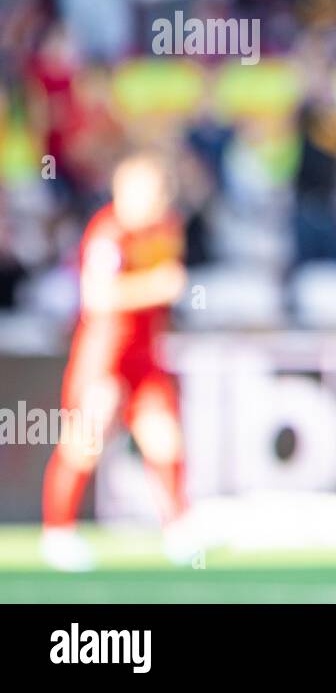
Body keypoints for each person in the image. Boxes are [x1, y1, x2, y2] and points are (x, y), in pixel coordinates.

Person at [41, 151, 192, 571]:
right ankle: (58, 532)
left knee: (164, 436)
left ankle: (178, 530)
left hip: (146, 355)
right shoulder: (107, 233)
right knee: (85, 441)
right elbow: (97, 296)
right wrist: (156, 287)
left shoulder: (167, 228)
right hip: (105, 354)